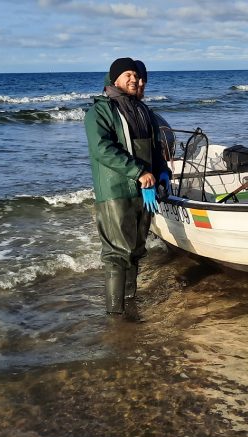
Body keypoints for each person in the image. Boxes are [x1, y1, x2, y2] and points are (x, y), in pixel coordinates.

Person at [84, 57, 170, 321]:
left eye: (137, 76)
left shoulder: (143, 111)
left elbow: (155, 148)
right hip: (116, 191)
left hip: (144, 191)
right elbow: (102, 149)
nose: (134, 80)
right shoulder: (100, 112)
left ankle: (130, 303)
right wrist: (138, 172)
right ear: (115, 79)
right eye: (128, 75)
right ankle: (115, 316)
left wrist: (162, 171)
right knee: (116, 255)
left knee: (135, 250)